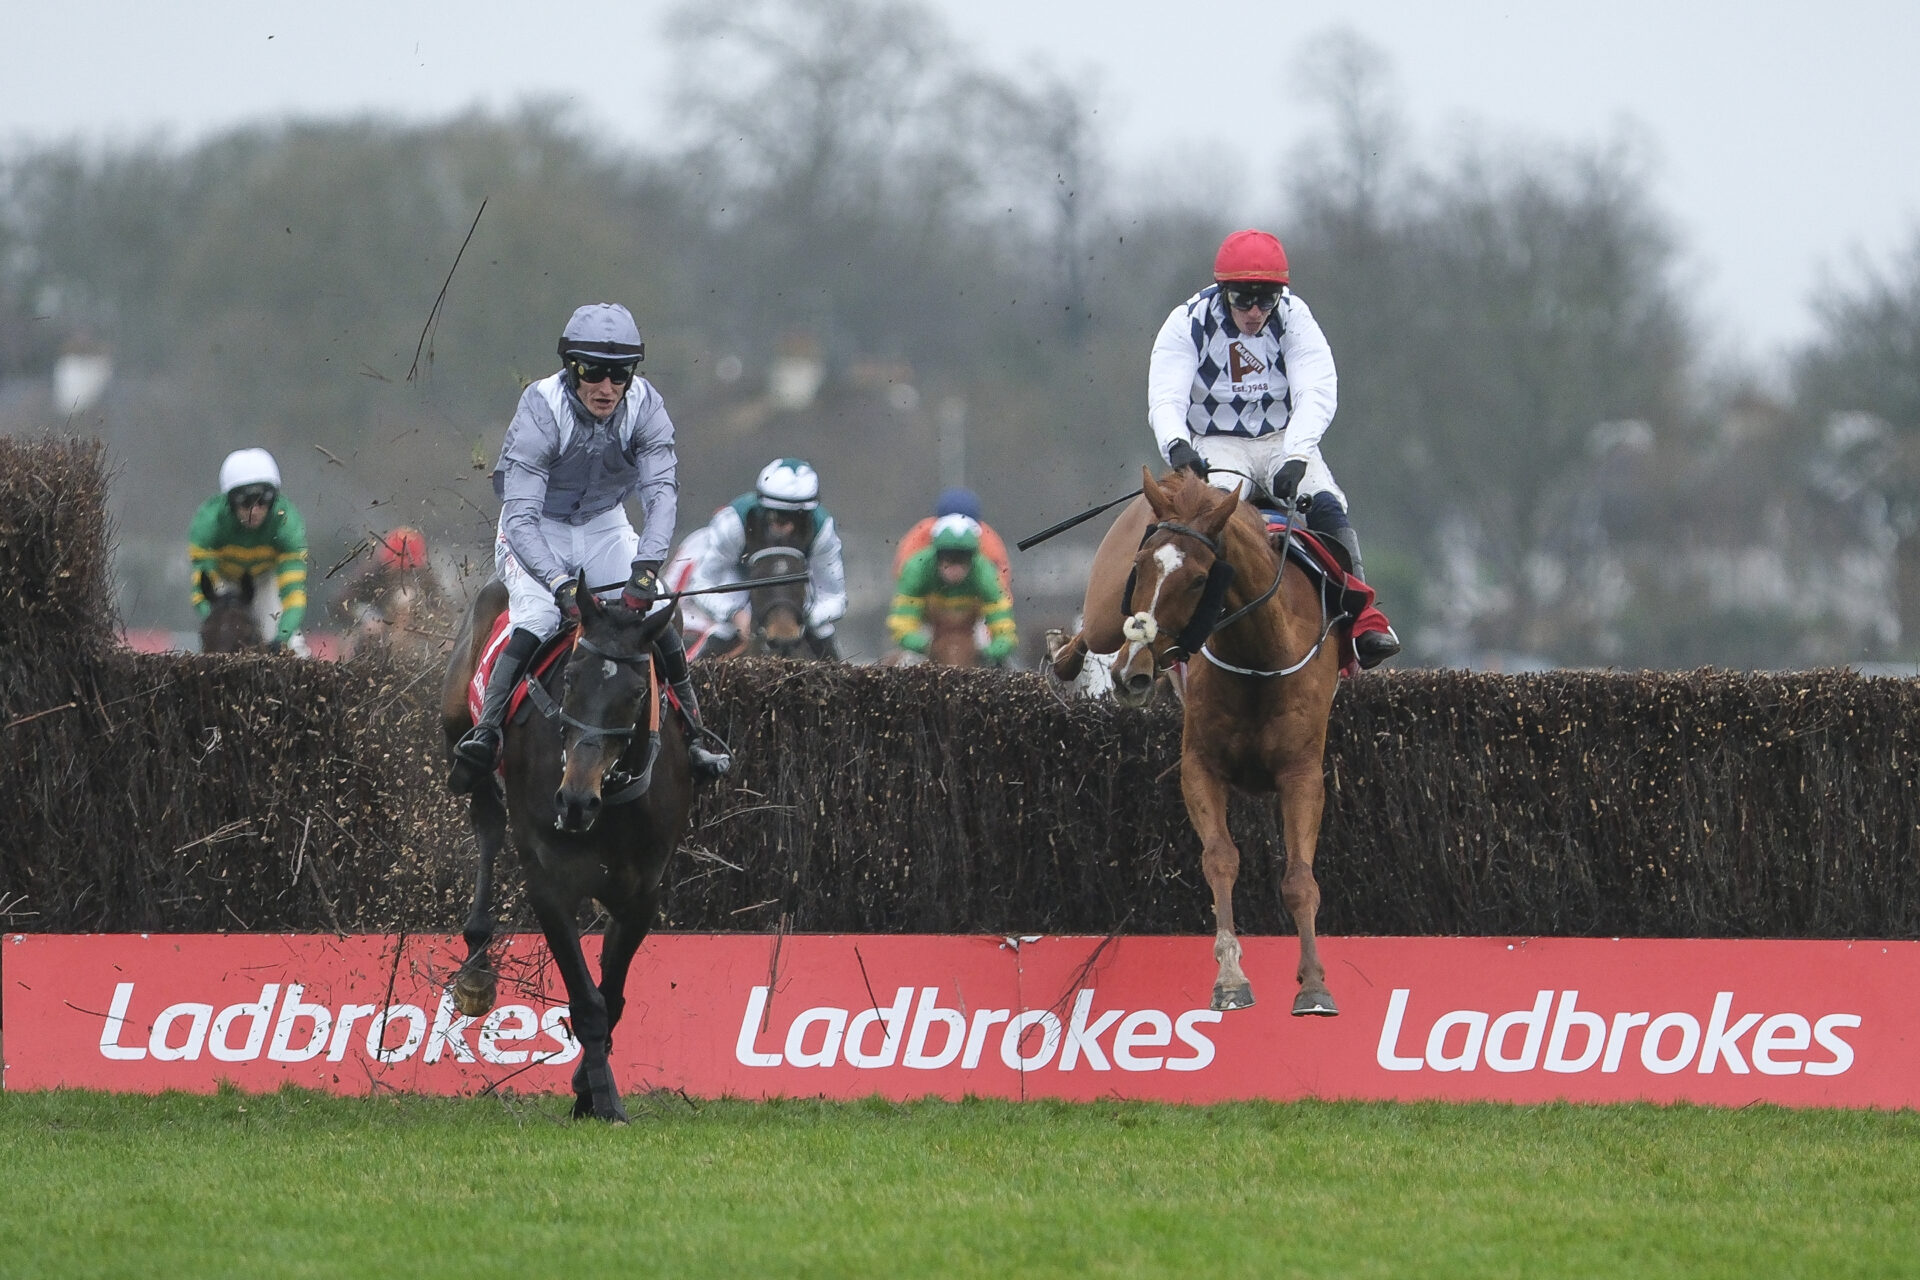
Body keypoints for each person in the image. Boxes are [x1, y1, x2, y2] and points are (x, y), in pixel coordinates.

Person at [447, 302, 730, 795]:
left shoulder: (645, 406)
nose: (607, 387)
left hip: (603, 525)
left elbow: (661, 493)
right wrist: (557, 583)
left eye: (619, 374)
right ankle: (487, 732)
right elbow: (520, 515)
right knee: (536, 616)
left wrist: (646, 568)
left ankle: (696, 736)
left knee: (655, 611)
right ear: (570, 368)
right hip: (537, 527)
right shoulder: (541, 407)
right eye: (593, 372)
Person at [1147, 229, 1401, 668]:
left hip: (1283, 437)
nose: (1254, 312)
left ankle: (1365, 621)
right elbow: (1165, 396)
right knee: (1209, 522)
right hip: (1217, 443)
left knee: (1326, 506)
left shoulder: (1295, 317)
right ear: (1223, 291)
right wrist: (1177, 445)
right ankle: (1176, 630)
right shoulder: (1188, 321)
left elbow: (1316, 390)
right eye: (1243, 299)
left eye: (1265, 300)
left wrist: (1298, 454)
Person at [677, 458, 848, 658]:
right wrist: (734, 614)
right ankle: (692, 682)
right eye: (779, 516)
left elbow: (835, 597)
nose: (788, 527)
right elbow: (703, 584)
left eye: (799, 518)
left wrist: (806, 616)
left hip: (795, 590)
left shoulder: (823, 530)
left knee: (823, 631)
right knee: (723, 631)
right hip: (739, 584)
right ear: (764, 509)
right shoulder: (732, 523)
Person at [188, 448, 310, 654]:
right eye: (244, 502)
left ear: (274, 499)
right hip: (223, 583)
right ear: (230, 501)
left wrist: (282, 639)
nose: (255, 510)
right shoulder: (208, 523)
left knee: (295, 650)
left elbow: (294, 595)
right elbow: (202, 589)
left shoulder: (287, 524)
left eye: (264, 500)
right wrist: (215, 614)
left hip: (265, 581)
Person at [888, 514, 1018, 665]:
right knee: (907, 663)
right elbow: (902, 621)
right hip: (928, 630)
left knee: (1005, 666)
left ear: (973, 557)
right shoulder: (917, 568)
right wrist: (920, 644)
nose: (955, 567)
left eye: (962, 558)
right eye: (948, 557)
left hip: (973, 631)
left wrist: (994, 650)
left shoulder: (985, 572)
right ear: (937, 554)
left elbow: (1003, 626)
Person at [333, 526, 446, 660]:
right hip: (373, 633)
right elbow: (340, 604)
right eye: (399, 568)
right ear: (387, 562)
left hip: (413, 638)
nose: (403, 574)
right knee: (361, 637)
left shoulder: (426, 580)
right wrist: (367, 617)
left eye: (409, 569)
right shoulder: (371, 575)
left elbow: (442, 614)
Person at [891, 486, 1013, 599]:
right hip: (931, 605)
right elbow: (903, 576)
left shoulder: (988, 540)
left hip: (972, 605)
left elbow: (1001, 589)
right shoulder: (921, 536)